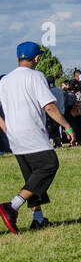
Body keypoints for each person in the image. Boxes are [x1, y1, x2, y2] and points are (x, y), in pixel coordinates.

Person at [0, 42, 75, 232]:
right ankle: (12, 206)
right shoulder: (36, 76)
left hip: (14, 135)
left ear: (17, 58)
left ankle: (38, 219)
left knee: (32, 179)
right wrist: (67, 126)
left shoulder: (5, 80)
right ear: (37, 58)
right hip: (31, 131)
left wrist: (7, 129)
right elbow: (49, 106)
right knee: (49, 165)